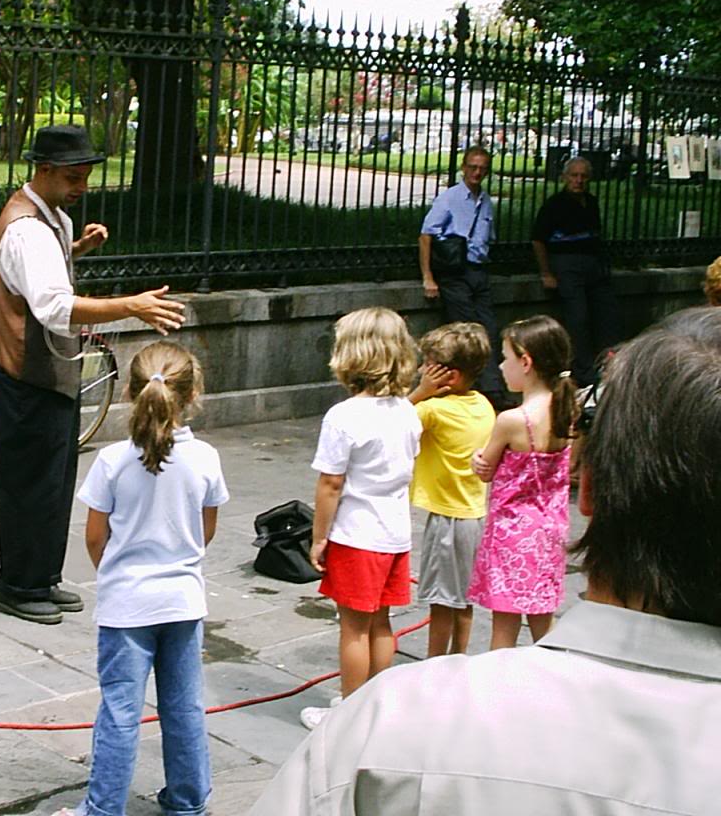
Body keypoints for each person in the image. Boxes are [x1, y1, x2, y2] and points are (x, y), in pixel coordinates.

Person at [248, 306, 721, 816]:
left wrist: (320, 538)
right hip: (417, 533)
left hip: (395, 533)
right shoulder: (450, 413)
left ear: (593, 492)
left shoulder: (397, 721)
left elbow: (337, 480)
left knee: (392, 622)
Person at [0, 124, 187, 625]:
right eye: (73, 177)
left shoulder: (48, 216)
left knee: (53, 483)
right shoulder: (27, 227)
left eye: (85, 177)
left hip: (47, 373)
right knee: (29, 485)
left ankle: (42, 578)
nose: (81, 187)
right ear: (44, 169)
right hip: (28, 376)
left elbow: (40, 273)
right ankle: (18, 585)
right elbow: (52, 306)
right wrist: (131, 307)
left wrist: (76, 249)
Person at [55, 341, 228, 816]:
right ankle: (189, 801)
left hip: (126, 603)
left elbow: (95, 537)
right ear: (193, 395)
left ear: (129, 392)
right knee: (185, 708)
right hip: (182, 599)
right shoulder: (206, 458)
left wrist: (118, 573)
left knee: (119, 713)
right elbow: (205, 528)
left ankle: (103, 808)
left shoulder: (111, 461)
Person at [298, 307, 420, 731]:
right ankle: (375, 705)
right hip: (394, 533)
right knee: (382, 623)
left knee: (353, 629)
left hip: (357, 534)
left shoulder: (345, 416)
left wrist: (319, 537)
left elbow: (331, 484)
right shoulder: (406, 409)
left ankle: (348, 717)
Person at [466, 315, 577, 649]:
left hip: (512, 533)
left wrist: (476, 461)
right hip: (549, 529)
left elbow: (485, 467)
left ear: (526, 361)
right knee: (544, 618)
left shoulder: (513, 420)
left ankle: (499, 694)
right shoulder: (567, 408)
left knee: (504, 625)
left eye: (506, 358)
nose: (501, 366)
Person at [406, 322, 495, 657]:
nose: (420, 371)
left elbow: (390, 422)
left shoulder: (432, 409)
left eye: (428, 367)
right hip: (473, 516)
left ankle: (434, 664)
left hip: (448, 521)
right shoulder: (482, 404)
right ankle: (458, 657)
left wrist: (419, 392)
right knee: (462, 599)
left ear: (450, 376)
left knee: (441, 602)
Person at [418, 146, 507, 405]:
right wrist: (428, 277)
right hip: (455, 273)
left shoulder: (486, 200)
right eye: (472, 167)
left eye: (482, 168)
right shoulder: (449, 198)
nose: (477, 173)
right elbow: (426, 236)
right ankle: (489, 391)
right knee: (468, 333)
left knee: (489, 329)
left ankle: (489, 386)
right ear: (463, 168)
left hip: (479, 270)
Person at [530, 156, 621, 385]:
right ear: (564, 177)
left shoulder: (590, 202)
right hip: (566, 264)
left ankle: (609, 366)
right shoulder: (555, 204)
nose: (578, 181)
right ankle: (583, 372)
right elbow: (538, 239)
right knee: (578, 318)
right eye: (574, 175)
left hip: (593, 265)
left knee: (607, 315)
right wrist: (546, 273)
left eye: (583, 176)